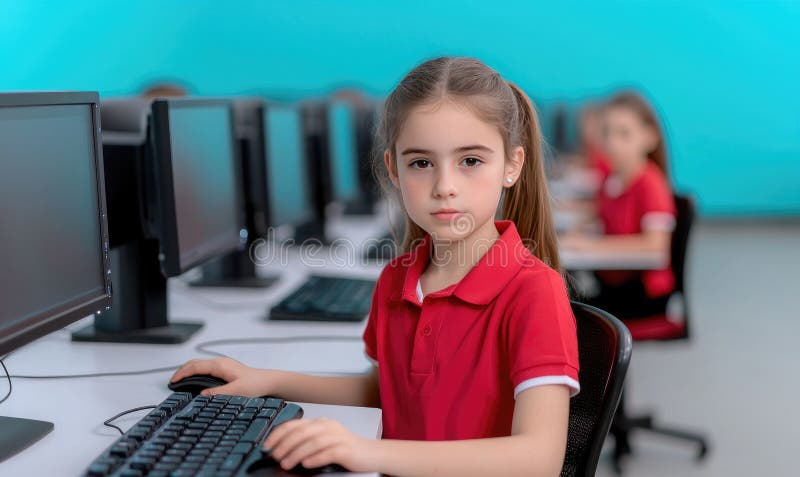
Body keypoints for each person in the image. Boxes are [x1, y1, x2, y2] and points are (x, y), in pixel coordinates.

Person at [171, 57, 579, 476]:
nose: (444, 187)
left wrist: (366, 452)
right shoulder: (397, 279)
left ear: (512, 165)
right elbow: (385, 390)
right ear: (394, 170)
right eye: (421, 163)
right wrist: (268, 382)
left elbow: (539, 460)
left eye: (470, 161)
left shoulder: (533, 291)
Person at [561, 91, 677, 319]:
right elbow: (601, 211)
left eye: (624, 134)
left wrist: (589, 246)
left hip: (641, 293)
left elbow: (656, 245)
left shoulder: (650, 185)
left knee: (566, 312)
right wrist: (576, 229)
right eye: (607, 133)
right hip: (611, 286)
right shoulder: (614, 179)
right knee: (559, 300)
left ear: (650, 137)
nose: (612, 143)